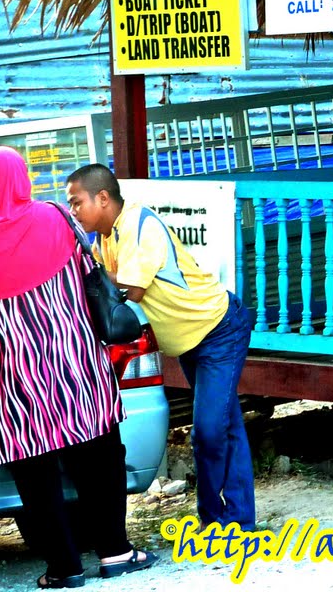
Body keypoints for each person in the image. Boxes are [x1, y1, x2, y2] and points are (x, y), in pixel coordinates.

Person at [0, 147, 156, 588]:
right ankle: (116, 552)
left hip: (16, 377)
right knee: (100, 459)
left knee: (36, 476)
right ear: (23, 178)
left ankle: (64, 568)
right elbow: (86, 270)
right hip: (76, 366)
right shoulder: (56, 216)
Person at [65, 165, 255, 531]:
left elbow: (130, 290)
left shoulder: (139, 225)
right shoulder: (104, 239)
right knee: (223, 426)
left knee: (210, 430)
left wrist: (89, 275)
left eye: (77, 203)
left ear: (102, 198)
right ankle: (228, 520)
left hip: (218, 329)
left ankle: (228, 521)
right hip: (187, 340)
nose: (73, 211)